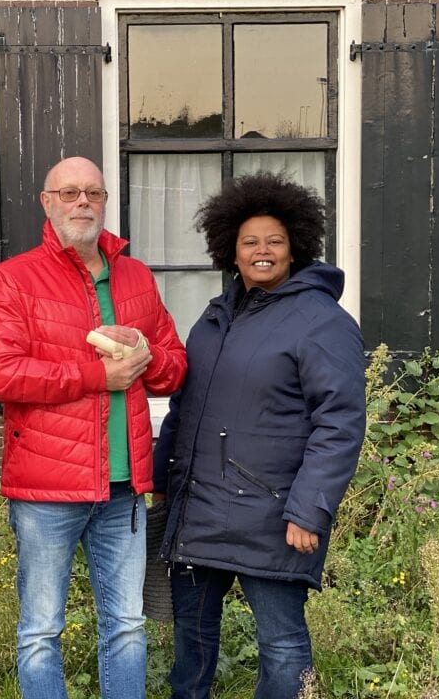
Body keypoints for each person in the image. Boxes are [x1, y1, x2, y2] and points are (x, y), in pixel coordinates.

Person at [0, 156, 187, 699]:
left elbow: (173, 367)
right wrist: (98, 373)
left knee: (127, 626)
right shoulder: (14, 279)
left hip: (125, 488)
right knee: (41, 630)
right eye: (69, 193)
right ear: (47, 204)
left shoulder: (135, 276)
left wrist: (143, 353)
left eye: (93, 193)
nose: (82, 203)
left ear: (105, 203)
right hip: (47, 488)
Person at [153, 172, 366, 699]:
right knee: (191, 641)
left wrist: (309, 510)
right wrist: (161, 482)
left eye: (275, 240)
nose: (262, 251)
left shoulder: (321, 321)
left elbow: (339, 422)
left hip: (272, 515)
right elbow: (185, 406)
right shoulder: (215, 316)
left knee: (283, 645)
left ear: (296, 246)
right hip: (197, 508)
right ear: (231, 247)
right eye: (250, 241)